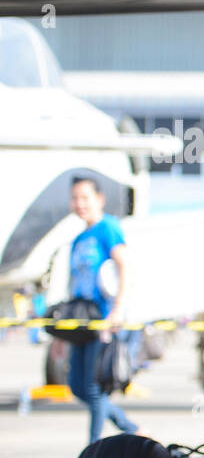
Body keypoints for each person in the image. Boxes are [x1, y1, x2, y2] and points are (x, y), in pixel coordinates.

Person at [66, 175, 139, 442]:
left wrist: (117, 309)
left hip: (103, 319)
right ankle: (131, 428)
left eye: (85, 197)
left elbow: (124, 267)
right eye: (75, 198)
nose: (79, 203)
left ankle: (91, 450)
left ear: (99, 199)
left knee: (94, 389)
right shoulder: (78, 239)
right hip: (81, 321)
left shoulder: (108, 228)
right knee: (77, 387)